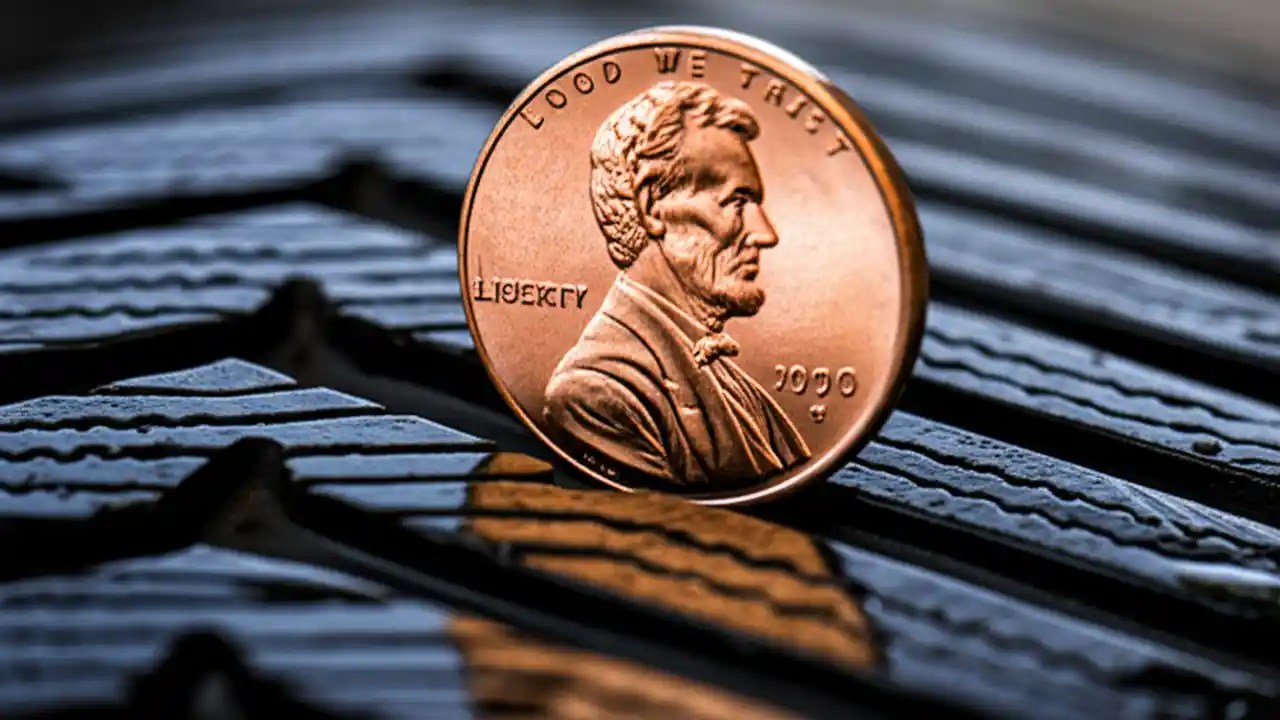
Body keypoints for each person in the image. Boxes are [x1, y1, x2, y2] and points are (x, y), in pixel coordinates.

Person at [543, 80, 810, 488]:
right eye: (736, 202)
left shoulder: (730, 380)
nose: (765, 233)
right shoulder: (594, 393)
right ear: (652, 206)